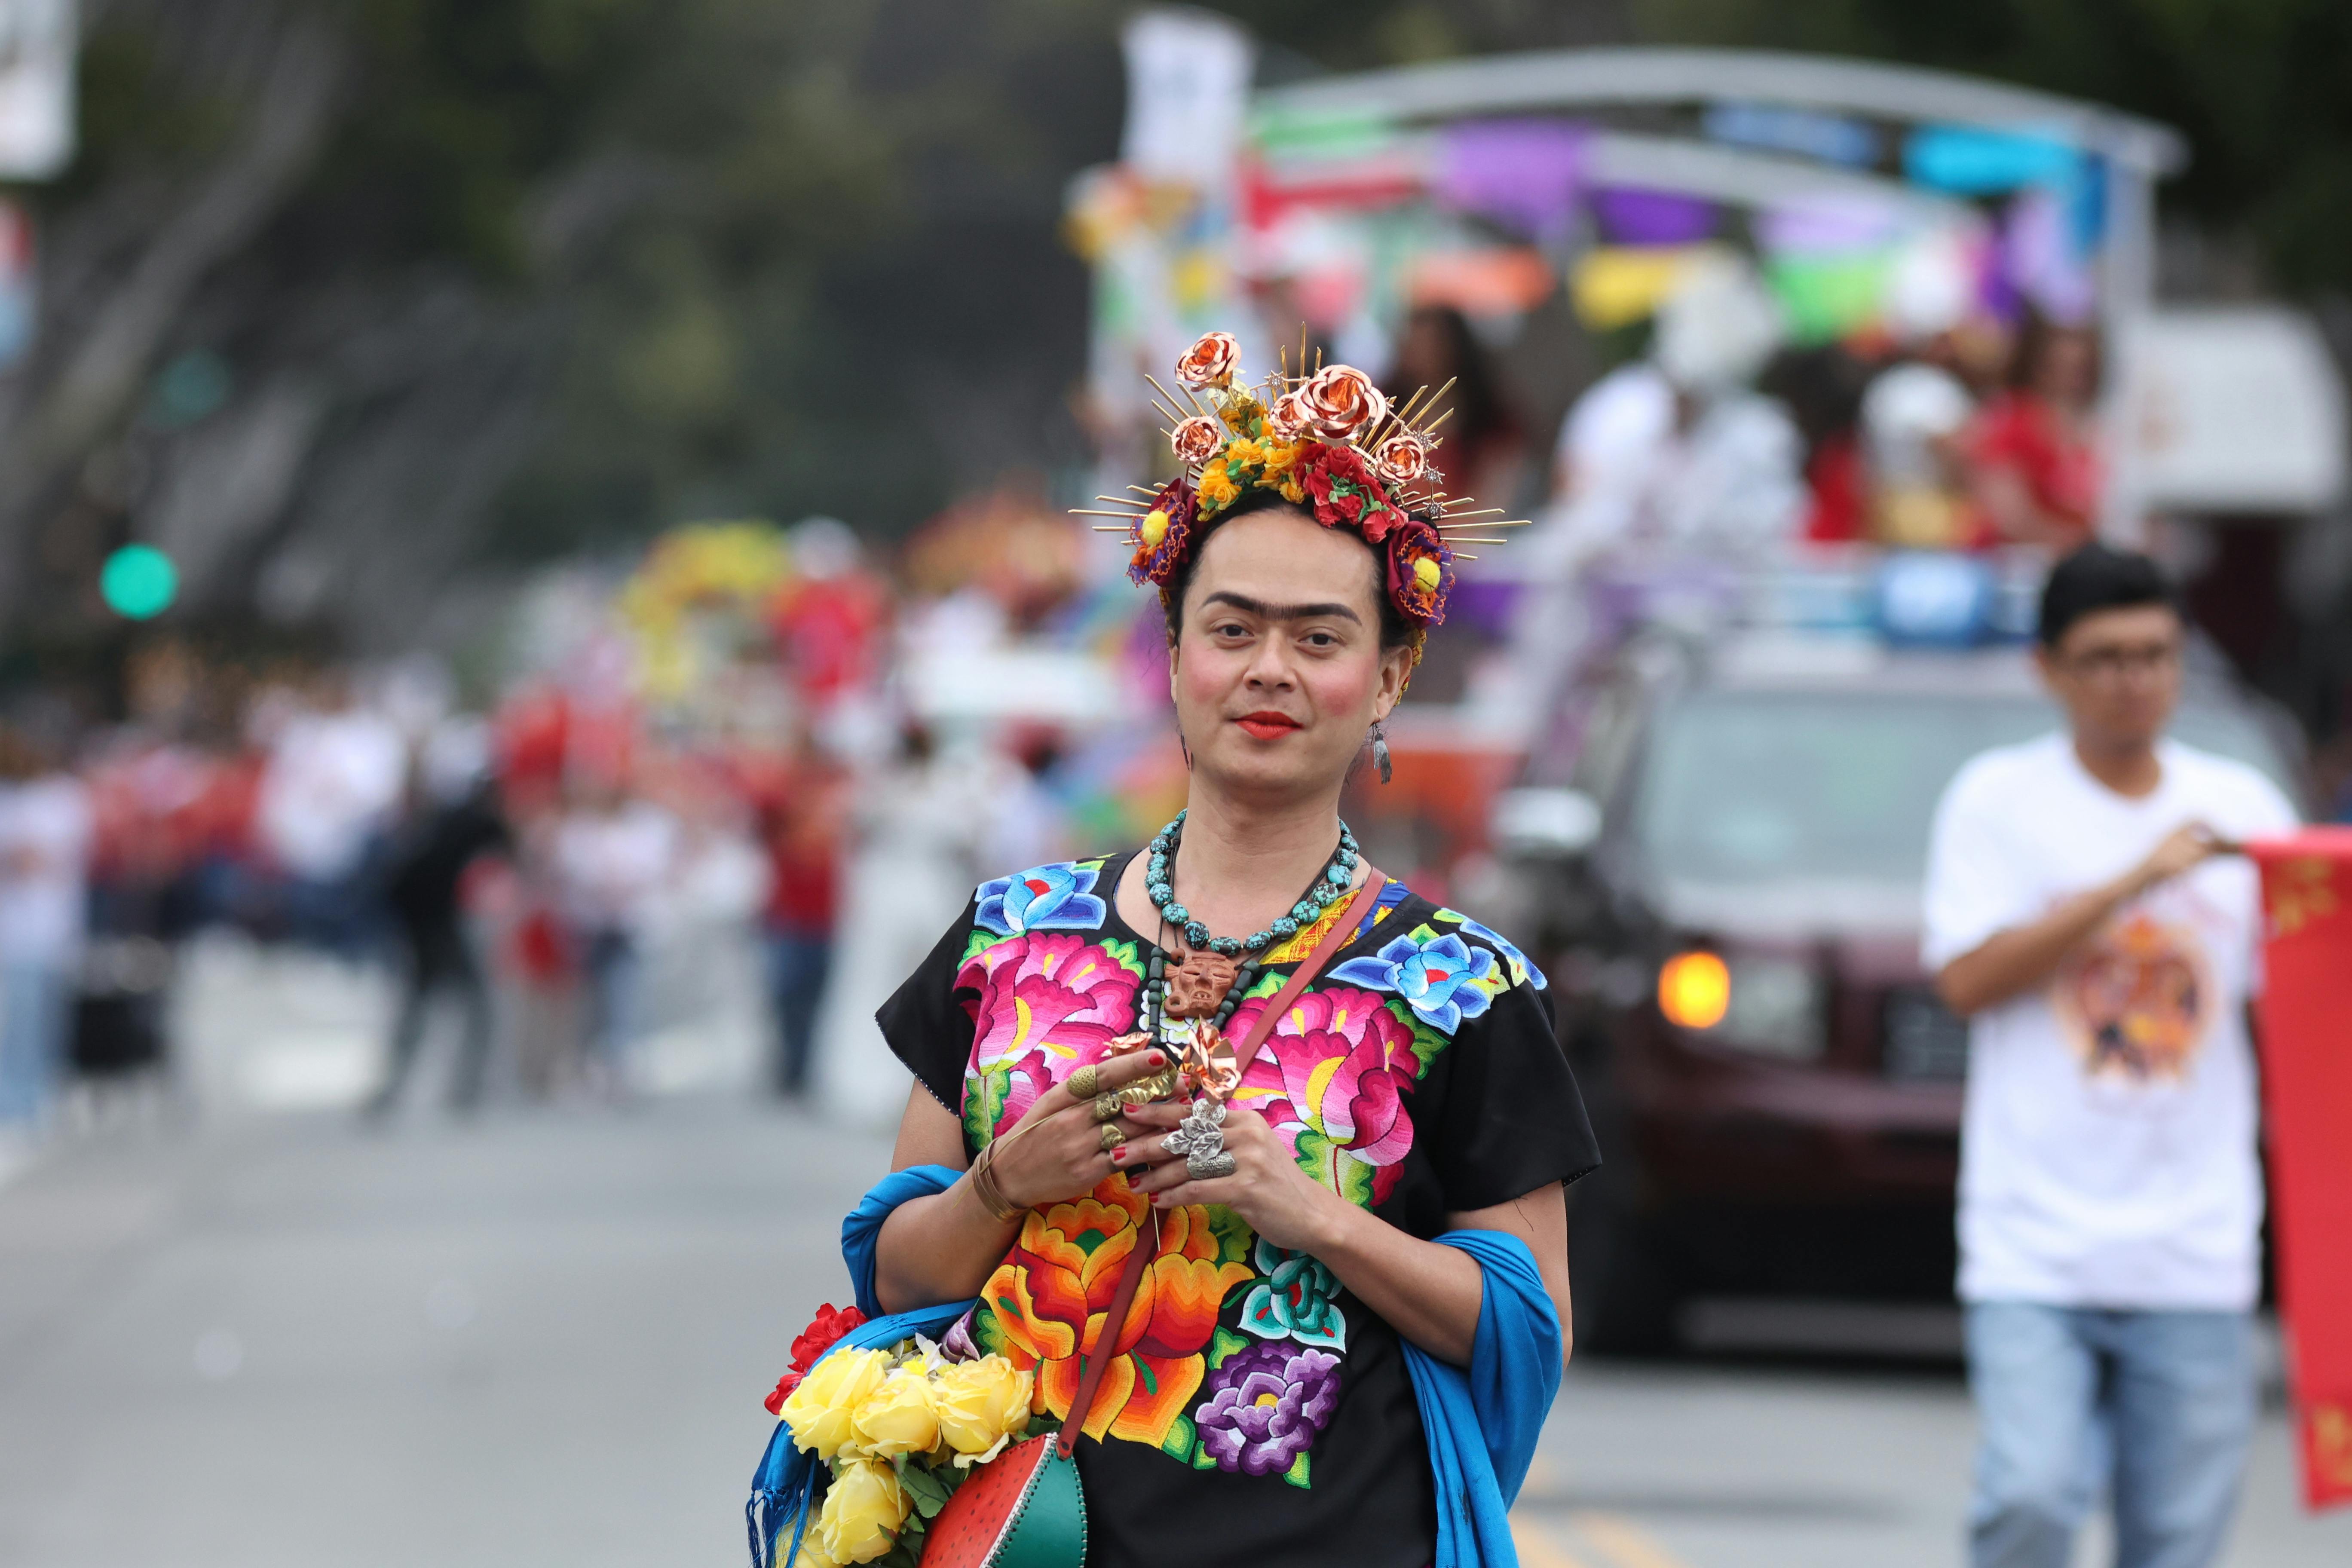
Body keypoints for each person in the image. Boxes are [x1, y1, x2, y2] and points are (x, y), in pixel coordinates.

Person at [850, 334, 1597, 1567]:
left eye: (1319, 638)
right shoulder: (1009, 936)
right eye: (1234, 627)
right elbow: (892, 1280)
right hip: (1025, 1540)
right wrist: (1001, 1185)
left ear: (1390, 677)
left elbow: (1525, 1326)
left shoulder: (1464, 988)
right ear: (1174, 649)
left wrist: (1312, 1214)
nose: (1270, 671)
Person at [1923, 545, 2298, 1568]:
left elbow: (2297, 1011)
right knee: (2032, 1498)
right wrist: (2131, 882)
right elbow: (1963, 980)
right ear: (2048, 668)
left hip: (2194, 1245)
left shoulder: (2246, 809)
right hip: (2032, 1241)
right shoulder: (1995, 802)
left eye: (2154, 654)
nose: (2134, 680)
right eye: (2104, 658)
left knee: (2175, 1540)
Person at [364, 723, 511, 1119]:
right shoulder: (458, 820)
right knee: (473, 1009)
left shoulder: (434, 820)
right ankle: (460, 1090)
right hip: (434, 928)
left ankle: (402, 1091)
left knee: (423, 1010)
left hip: (426, 926)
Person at [0, 726, 93, 1131]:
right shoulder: (10, 797)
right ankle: (16, 1099)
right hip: (12, 932)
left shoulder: (61, 797)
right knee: (15, 1022)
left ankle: (35, 1099)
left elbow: (41, 860)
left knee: (42, 1020)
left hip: (47, 930)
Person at [1969, 316, 2103, 551]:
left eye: (2081, 371)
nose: (2073, 382)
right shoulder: (2011, 422)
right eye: (2061, 368)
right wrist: (2077, 542)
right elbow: (2009, 517)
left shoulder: (2088, 431)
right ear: (2038, 368)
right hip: (2011, 561)